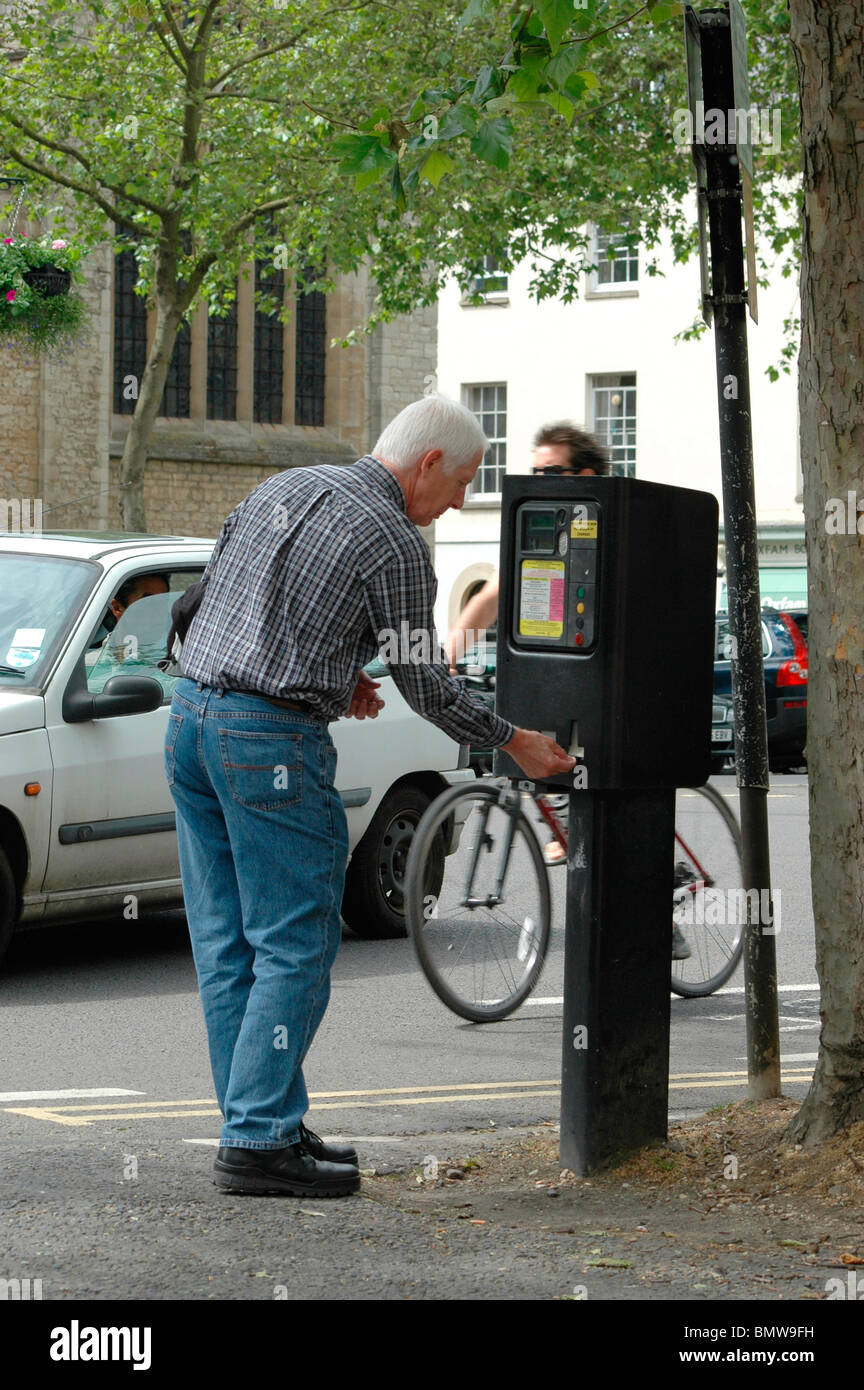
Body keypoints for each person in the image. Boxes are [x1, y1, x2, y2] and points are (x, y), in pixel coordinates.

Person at [166, 394, 576, 1200]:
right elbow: (425, 681)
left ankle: (265, 1120)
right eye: (459, 483)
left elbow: (221, 603)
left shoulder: (283, 486)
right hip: (267, 745)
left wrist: (337, 666)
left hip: (190, 721)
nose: (458, 500)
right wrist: (514, 739)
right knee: (295, 941)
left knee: (226, 943)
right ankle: (255, 1140)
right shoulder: (393, 540)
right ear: (427, 464)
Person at [444, 423, 610, 865]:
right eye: (533, 473)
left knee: (609, 806)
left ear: (586, 478)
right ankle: (569, 825)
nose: (539, 483)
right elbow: (488, 599)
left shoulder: (613, 531)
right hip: (556, 680)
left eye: (551, 471)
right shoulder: (535, 534)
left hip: (608, 688)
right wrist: (450, 657)